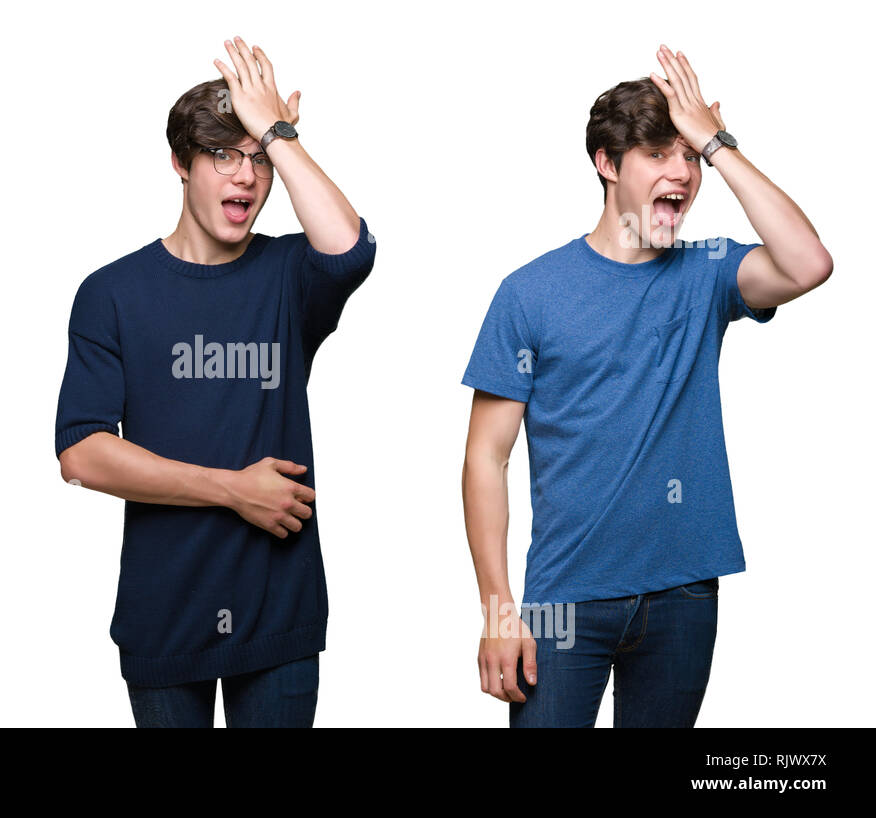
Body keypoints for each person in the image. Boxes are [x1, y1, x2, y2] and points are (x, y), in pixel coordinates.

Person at [461, 45, 831, 728]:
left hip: (683, 594)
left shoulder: (710, 273)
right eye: (660, 154)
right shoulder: (529, 293)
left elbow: (808, 262)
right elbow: (487, 457)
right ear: (607, 163)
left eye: (688, 159)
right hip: (563, 601)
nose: (682, 173)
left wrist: (716, 143)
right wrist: (496, 608)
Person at [54, 37, 375, 727]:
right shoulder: (112, 293)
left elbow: (351, 248)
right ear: (180, 162)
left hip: (278, 614)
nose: (246, 177)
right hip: (164, 615)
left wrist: (279, 133)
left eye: (257, 159)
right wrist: (233, 490)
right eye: (224, 156)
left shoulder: (289, 276)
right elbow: (81, 452)